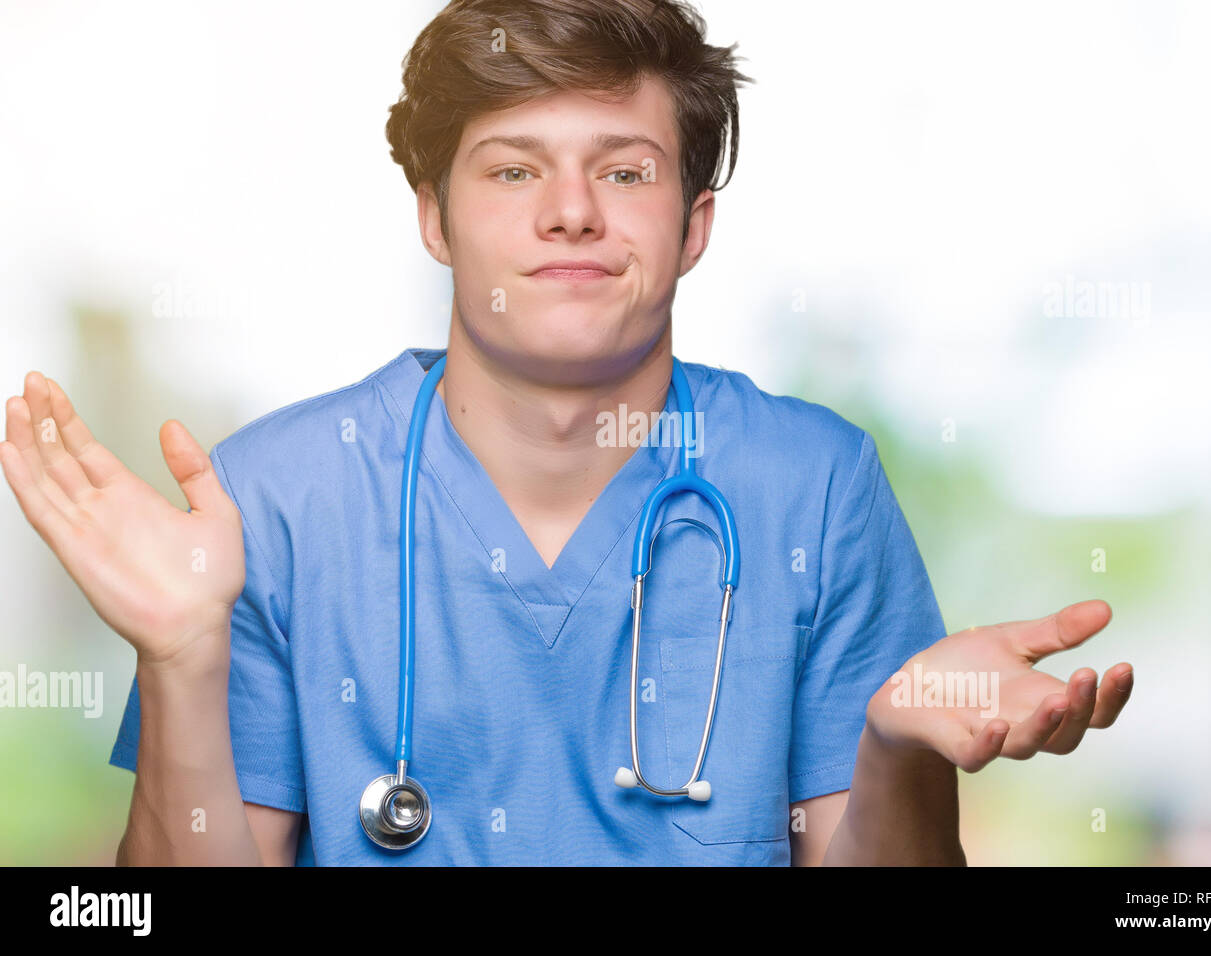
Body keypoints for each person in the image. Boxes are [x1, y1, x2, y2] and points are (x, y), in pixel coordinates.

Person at [0, 0, 1132, 866]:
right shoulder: (272, 502)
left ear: (691, 226)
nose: (571, 211)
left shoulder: (814, 487)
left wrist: (895, 748)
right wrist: (183, 657)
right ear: (435, 217)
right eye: (513, 169)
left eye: (623, 169)